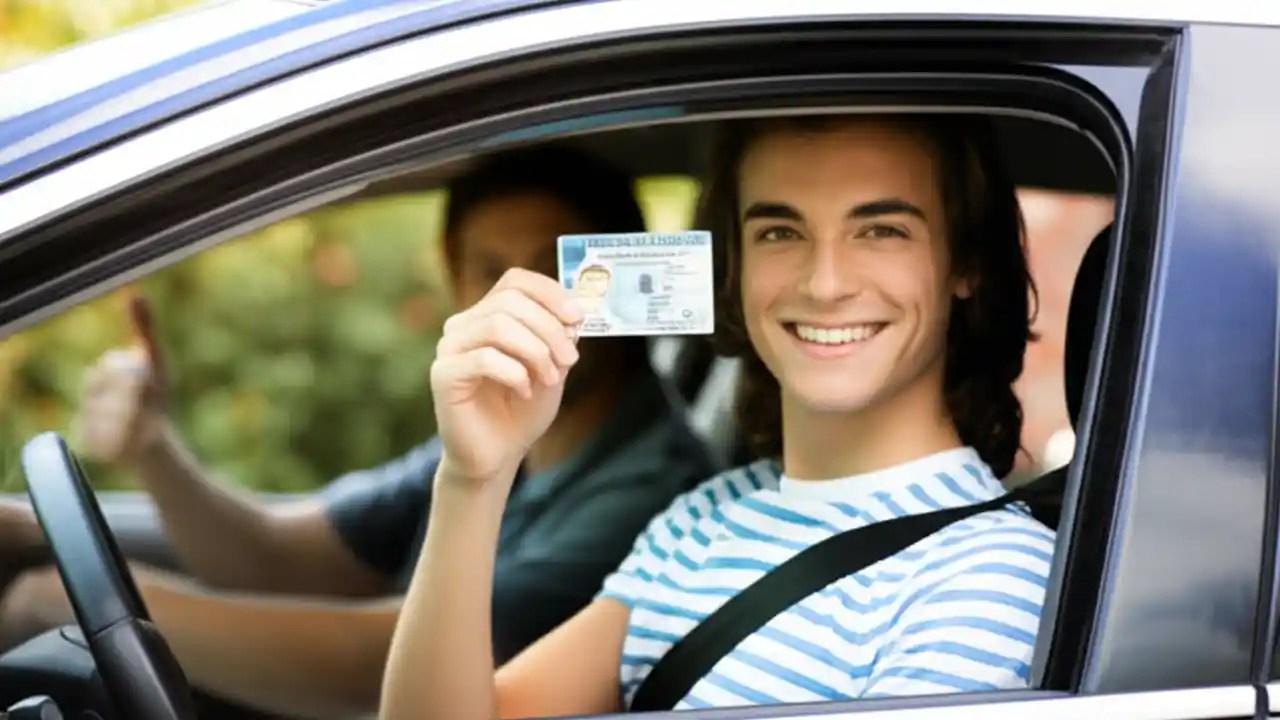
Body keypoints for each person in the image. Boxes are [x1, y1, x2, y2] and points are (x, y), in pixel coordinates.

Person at [378, 114, 1058, 719]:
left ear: (964, 262)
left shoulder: (990, 575)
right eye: (779, 231)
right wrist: (475, 478)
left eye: (881, 230)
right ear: (733, 266)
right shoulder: (703, 519)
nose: (824, 284)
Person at [0, 146, 717, 718]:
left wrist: (72, 613)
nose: (518, 300)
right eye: (490, 270)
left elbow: (371, 669)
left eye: (552, 269)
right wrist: (146, 454)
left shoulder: (653, 491)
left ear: (619, 288)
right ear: (453, 279)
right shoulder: (505, 428)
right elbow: (285, 560)